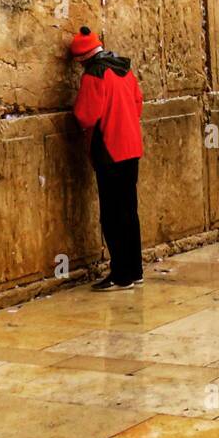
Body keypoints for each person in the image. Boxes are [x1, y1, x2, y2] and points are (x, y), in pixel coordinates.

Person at [70, 25, 144, 291]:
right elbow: (138, 103)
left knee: (112, 215)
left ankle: (120, 275)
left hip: (110, 151)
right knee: (129, 210)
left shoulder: (94, 75)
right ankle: (135, 270)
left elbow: (85, 115)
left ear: (82, 59)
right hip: (131, 148)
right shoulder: (125, 69)